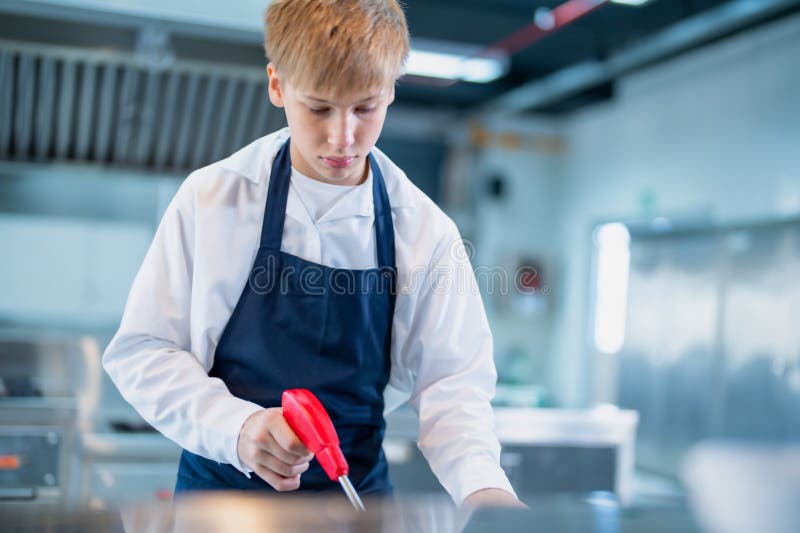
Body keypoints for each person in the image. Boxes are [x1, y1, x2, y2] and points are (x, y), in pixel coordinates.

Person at [103, 0, 520, 508]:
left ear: (390, 90)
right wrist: (237, 427)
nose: (343, 138)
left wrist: (485, 489)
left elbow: (451, 386)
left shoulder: (424, 229)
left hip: (355, 508)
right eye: (319, 107)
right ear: (277, 85)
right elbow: (143, 351)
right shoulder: (214, 199)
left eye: (366, 107)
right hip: (218, 507)